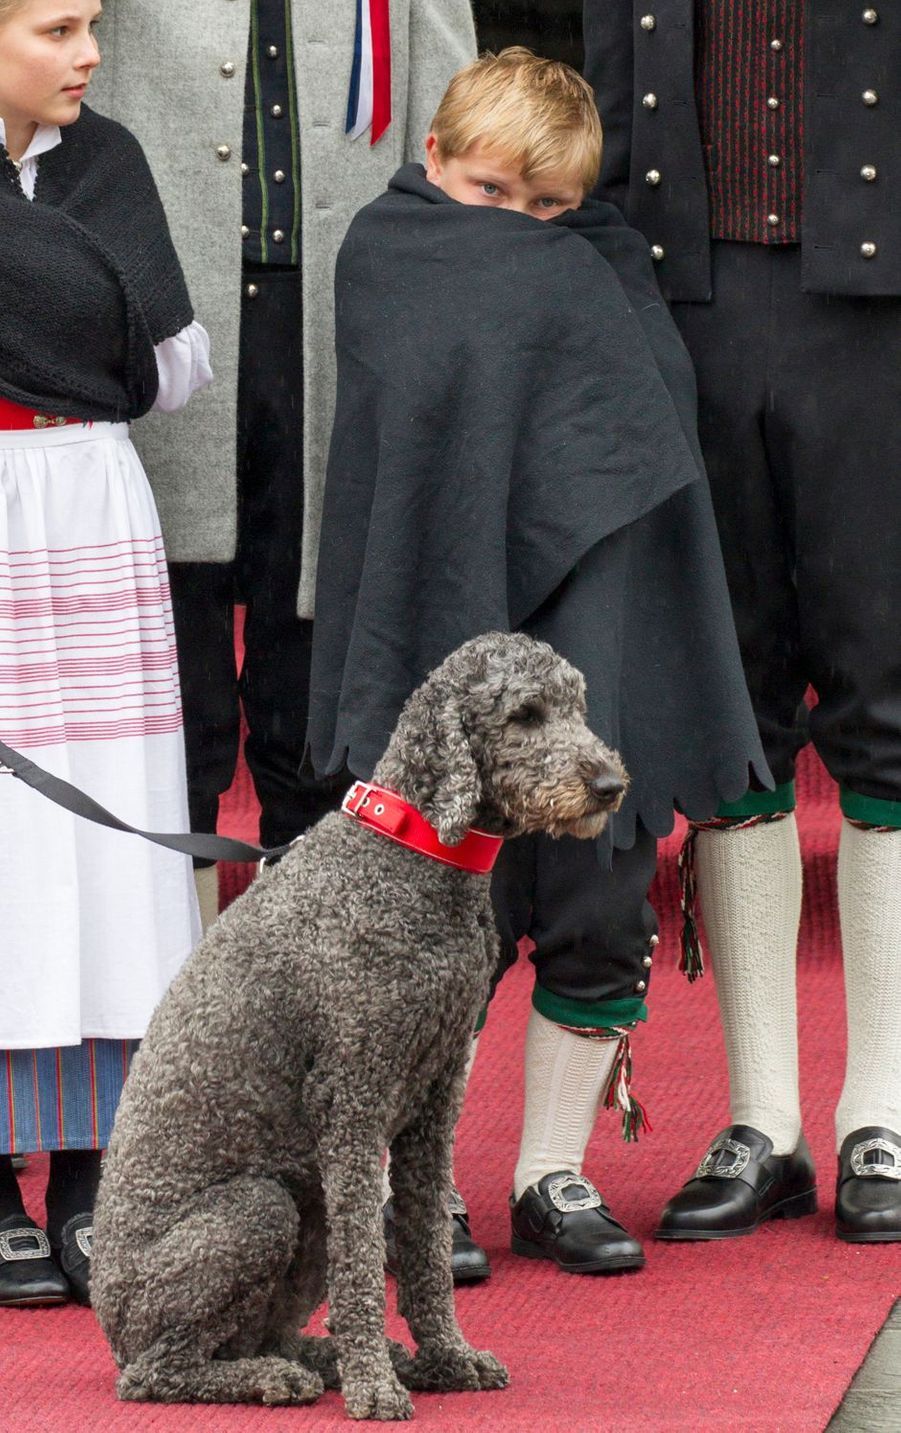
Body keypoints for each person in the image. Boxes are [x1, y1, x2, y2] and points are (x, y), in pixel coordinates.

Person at [307, 47, 770, 1277]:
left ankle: (549, 1168)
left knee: (596, 897)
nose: (526, 231)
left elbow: (643, 431)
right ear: (435, 160)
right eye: (496, 196)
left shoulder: (604, 268)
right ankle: (429, 1186)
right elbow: (404, 447)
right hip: (434, 625)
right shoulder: (384, 252)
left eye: (553, 209)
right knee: (431, 917)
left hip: (591, 624)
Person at [584, 1, 901, 1243]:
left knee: (886, 703)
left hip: (880, 301)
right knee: (732, 708)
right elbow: (612, 101)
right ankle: (763, 1118)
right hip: (687, 298)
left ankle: (883, 1105)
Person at [87, 0, 479, 934]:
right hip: (159, 325)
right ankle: (165, 988)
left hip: (340, 342)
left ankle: (300, 977)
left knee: (311, 705)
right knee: (174, 707)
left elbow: (458, 110)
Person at [0, 0, 211, 1307]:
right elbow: (107, 336)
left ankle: (91, 1168)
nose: (89, 53)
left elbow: (166, 364)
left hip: (86, 511)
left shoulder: (108, 160)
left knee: (103, 835)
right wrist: (76, 318)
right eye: (56, 27)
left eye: (92, 22)